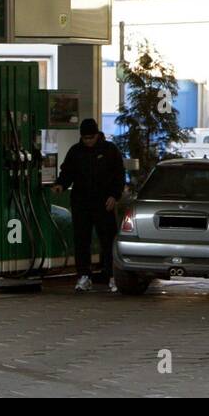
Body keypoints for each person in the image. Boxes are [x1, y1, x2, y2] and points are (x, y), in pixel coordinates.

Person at [53, 119, 126, 291]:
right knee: (81, 240)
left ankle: (111, 275)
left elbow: (119, 175)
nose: (88, 141)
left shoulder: (110, 150)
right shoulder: (75, 151)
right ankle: (84, 276)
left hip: (104, 203)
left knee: (107, 240)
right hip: (81, 203)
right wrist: (60, 185)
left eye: (91, 138)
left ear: (97, 135)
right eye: (85, 138)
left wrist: (114, 196)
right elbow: (67, 172)